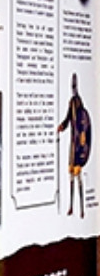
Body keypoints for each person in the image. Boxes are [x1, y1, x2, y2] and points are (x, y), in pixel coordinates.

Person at [58, 73, 91, 217]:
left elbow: (83, 125)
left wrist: (82, 144)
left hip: (78, 145)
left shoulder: (79, 104)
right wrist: (62, 126)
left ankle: (82, 209)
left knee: (78, 177)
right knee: (71, 175)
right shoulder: (71, 102)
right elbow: (68, 118)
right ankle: (71, 206)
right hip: (73, 143)